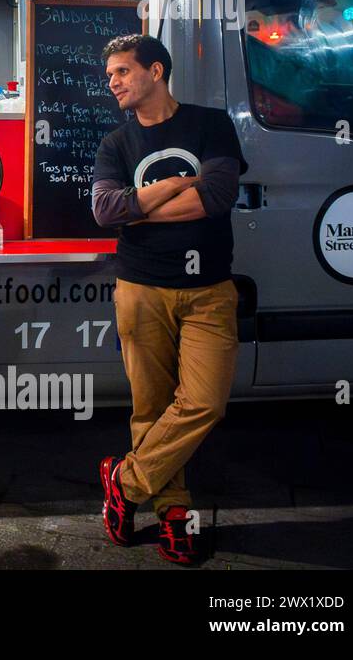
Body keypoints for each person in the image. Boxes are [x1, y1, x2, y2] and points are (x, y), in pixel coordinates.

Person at [90, 34, 247, 565]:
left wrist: (139, 207)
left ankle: (126, 482)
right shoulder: (116, 142)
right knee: (151, 407)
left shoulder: (210, 124)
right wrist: (178, 183)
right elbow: (107, 212)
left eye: (122, 72)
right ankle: (174, 515)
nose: (112, 82)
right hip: (141, 286)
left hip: (208, 291)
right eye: (109, 74)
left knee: (204, 402)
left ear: (156, 71)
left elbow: (218, 196)